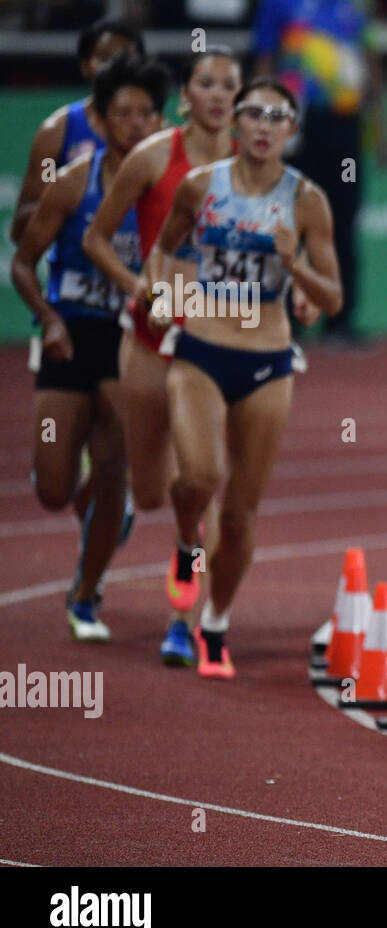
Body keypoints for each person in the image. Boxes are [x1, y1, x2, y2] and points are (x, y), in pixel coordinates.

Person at [149, 77, 342, 678]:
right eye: (253, 114)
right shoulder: (199, 186)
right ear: (234, 124)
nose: (263, 126)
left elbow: (332, 298)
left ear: (292, 129)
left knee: (238, 514)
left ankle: (212, 623)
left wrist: (294, 268)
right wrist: (163, 290)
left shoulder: (307, 200)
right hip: (202, 349)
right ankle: (186, 543)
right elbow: (165, 248)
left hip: (267, 362)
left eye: (276, 116)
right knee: (196, 479)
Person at [84, 48, 243, 667]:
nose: (220, 94)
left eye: (231, 85)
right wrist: (138, 289)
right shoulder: (154, 158)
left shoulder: (254, 169)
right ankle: (162, 516)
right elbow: (97, 237)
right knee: (152, 489)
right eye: (207, 83)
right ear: (185, 96)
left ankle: (183, 615)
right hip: (149, 343)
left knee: (198, 483)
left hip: (215, 345)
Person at [9, 52, 167, 640]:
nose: (135, 124)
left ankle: (86, 593)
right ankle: (94, 505)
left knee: (112, 467)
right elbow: (23, 263)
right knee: (54, 487)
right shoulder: (74, 182)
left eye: (146, 113)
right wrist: (47, 317)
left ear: (160, 120)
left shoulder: (171, 193)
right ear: (99, 121)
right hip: (71, 339)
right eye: (122, 113)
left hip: (129, 344)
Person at [252, 0, 387, 345]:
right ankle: (287, 320)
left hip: (345, 129)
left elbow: (371, 64)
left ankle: (340, 321)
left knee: (342, 219)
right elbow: (265, 63)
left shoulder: (356, 7)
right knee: (290, 221)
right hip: (298, 130)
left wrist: (383, 130)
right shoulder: (278, 5)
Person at [9, 18, 145, 244]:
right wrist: (72, 204)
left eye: (125, 57)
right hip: (76, 267)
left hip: (141, 276)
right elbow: (22, 228)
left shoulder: (159, 135)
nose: (115, 67)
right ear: (84, 66)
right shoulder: (56, 133)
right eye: (104, 58)